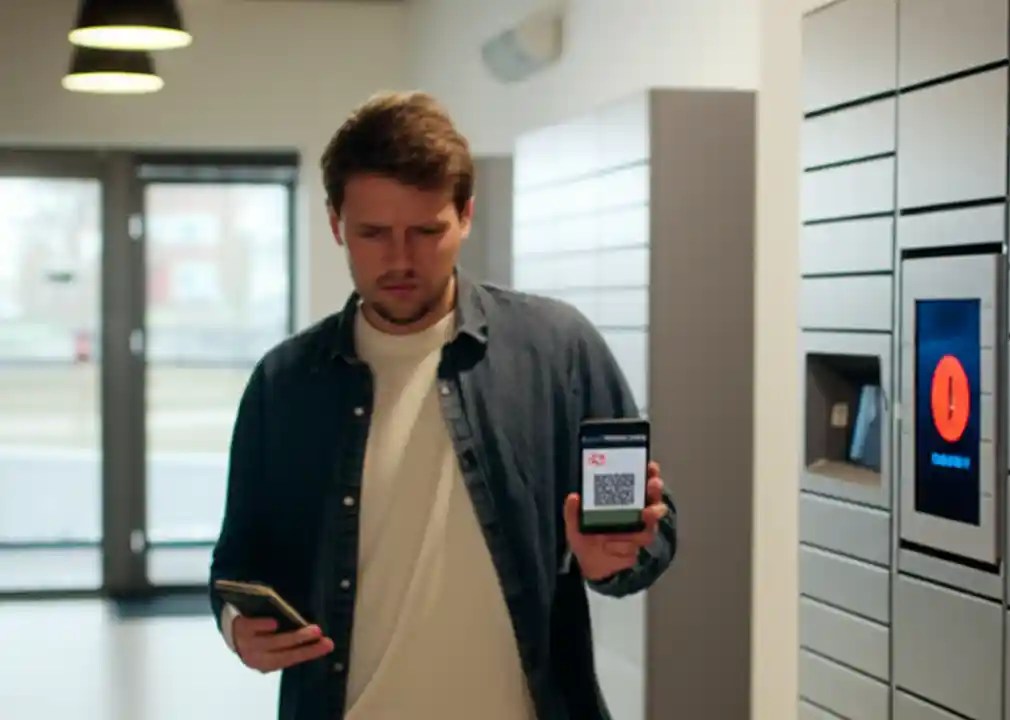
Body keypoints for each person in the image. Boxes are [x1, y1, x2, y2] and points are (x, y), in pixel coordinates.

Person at [209, 91, 677, 720]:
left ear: (465, 216)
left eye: (426, 231)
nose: (400, 259)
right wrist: (237, 624)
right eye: (373, 233)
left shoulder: (558, 349)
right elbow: (236, 559)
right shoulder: (285, 383)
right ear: (334, 224)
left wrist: (616, 557)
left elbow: (652, 531)